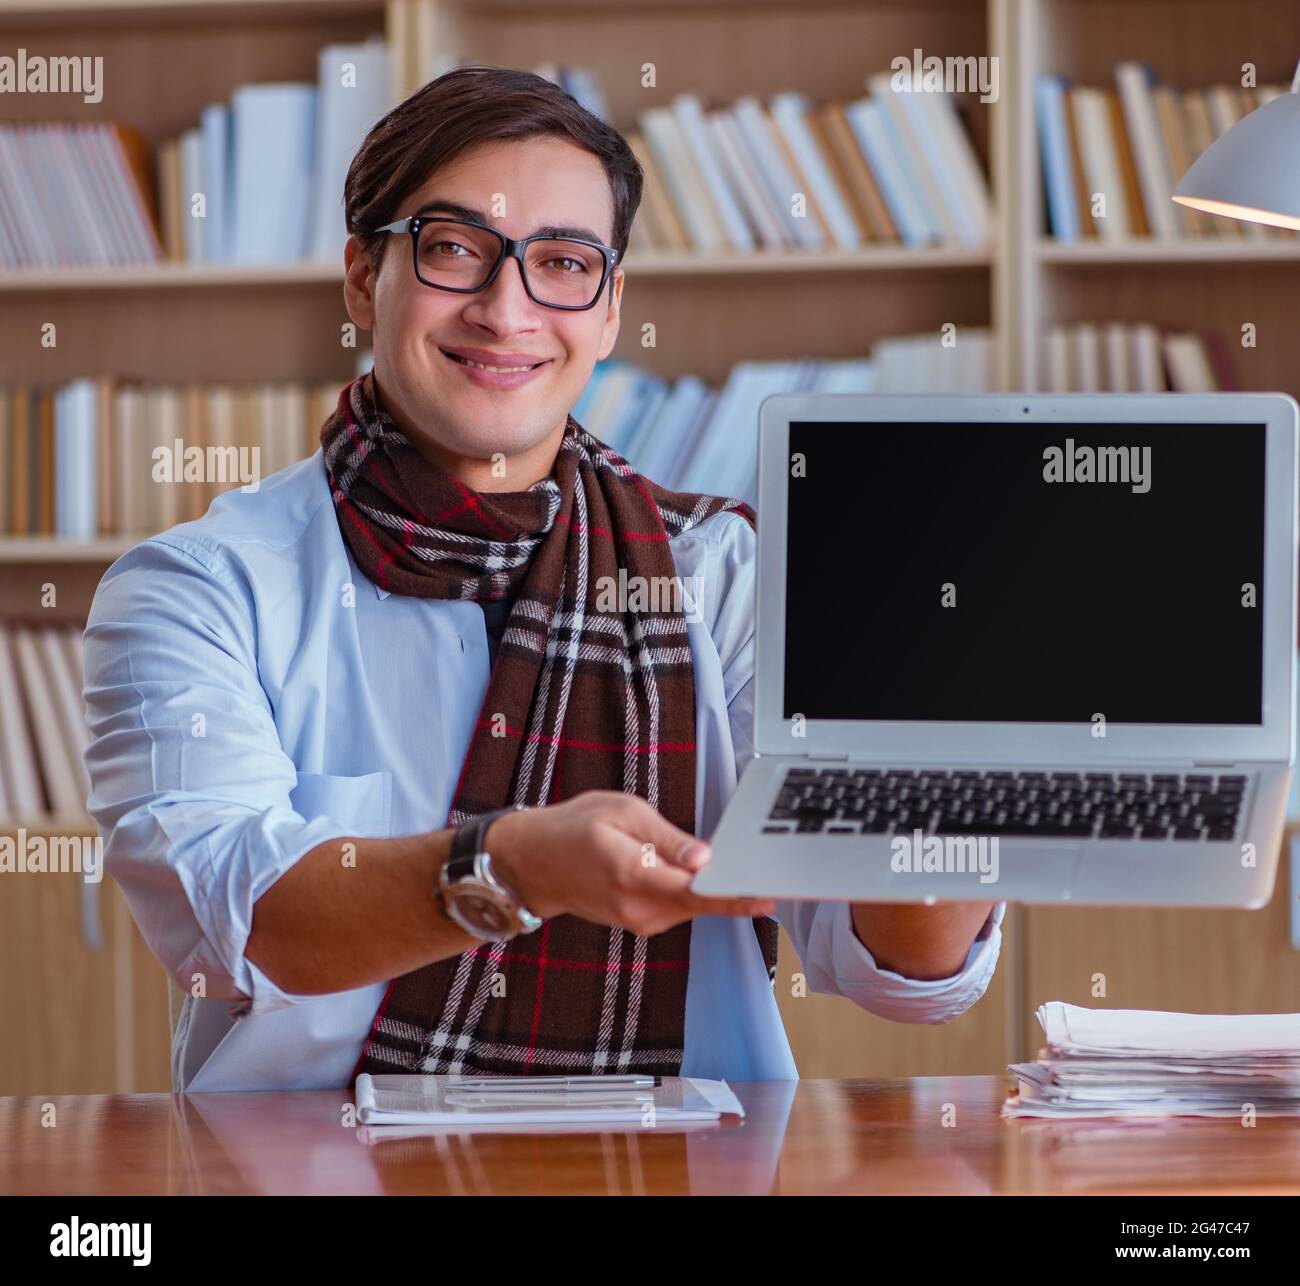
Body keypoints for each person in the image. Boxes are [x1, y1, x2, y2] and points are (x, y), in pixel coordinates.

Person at [82, 65, 1004, 1091]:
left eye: (562, 263)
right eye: (454, 249)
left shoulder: (729, 574)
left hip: (683, 1166)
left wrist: (948, 731)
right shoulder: (194, 590)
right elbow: (244, 925)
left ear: (609, 311)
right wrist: (512, 865)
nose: (506, 308)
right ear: (360, 278)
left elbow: (902, 964)